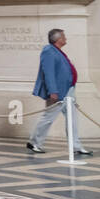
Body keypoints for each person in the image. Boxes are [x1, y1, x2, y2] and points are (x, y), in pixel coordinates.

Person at [28, 28, 91, 156]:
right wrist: (53, 91)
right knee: (48, 117)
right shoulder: (48, 51)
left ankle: (76, 146)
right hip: (58, 92)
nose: (66, 38)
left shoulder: (58, 52)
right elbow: (48, 73)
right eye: (64, 36)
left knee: (72, 119)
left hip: (69, 90)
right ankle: (35, 143)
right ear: (58, 39)